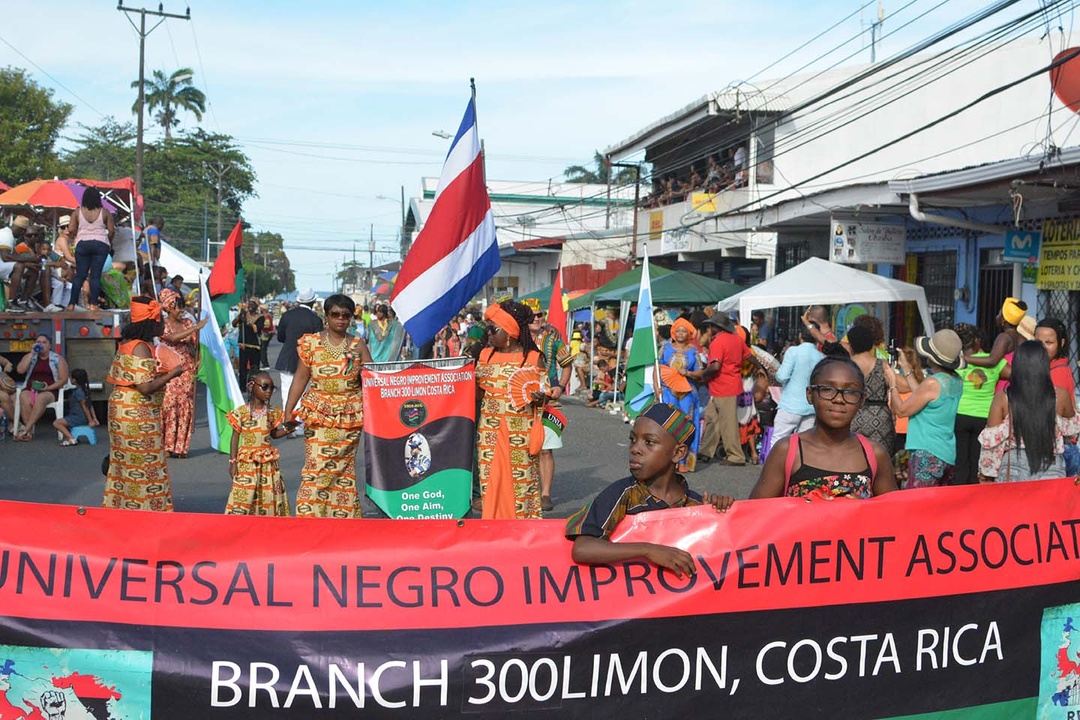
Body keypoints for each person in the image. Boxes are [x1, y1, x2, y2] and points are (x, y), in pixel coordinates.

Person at [566, 401, 734, 575]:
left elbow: (722, 553)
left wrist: (716, 513)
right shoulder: (622, 494)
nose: (635, 449)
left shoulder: (695, 504)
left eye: (649, 442)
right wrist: (648, 550)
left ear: (678, 453)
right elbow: (583, 549)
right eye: (633, 440)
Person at [751, 356, 897, 499]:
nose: (839, 399)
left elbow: (893, 513)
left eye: (850, 392)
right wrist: (729, 507)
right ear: (810, 394)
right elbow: (755, 514)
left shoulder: (875, 455)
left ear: (862, 400)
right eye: (827, 389)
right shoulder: (787, 451)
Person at [283, 294, 373, 518]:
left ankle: (342, 523)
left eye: (346, 315)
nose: (340, 319)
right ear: (326, 316)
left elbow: (373, 380)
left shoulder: (357, 345)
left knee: (343, 471)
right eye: (335, 315)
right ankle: (310, 520)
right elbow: (301, 379)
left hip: (349, 418)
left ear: (351, 318)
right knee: (317, 467)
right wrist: (287, 412)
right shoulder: (311, 343)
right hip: (318, 414)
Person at [102, 297, 184, 511]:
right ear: (151, 322)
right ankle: (145, 509)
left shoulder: (130, 344)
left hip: (124, 407)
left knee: (126, 462)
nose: (163, 323)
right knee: (144, 460)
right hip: (134, 412)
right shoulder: (140, 348)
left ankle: (123, 507)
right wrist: (173, 373)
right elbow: (145, 387)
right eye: (160, 319)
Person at [475, 301, 548, 519]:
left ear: (510, 332)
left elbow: (541, 394)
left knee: (521, 484)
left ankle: (523, 533)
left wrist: (539, 397)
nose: (488, 333)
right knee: (490, 481)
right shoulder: (485, 355)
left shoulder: (533, 358)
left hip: (520, 430)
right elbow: (478, 395)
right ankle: (492, 530)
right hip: (489, 431)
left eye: (493, 329)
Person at [978, 340, 1078, 482]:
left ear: (1017, 364)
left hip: (1013, 466)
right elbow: (1072, 430)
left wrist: (985, 475)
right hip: (1052, 466)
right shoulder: (1060, 396)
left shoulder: (1004, 397)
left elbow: (991, 443)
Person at [890, 329, 964, 488]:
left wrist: (892, 385)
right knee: (937, 508)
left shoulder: (932, 383)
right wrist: (907, 369)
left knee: (918, 506)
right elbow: (922, 396)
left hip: (927, 453)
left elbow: (902, 410)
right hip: (946, 453)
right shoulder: (957, 380)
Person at [225, 370, 293, 516]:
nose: (268, 392)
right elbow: (235, 437)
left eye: (272, 388)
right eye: (265, 387)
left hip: (267, 463)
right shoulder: (241, 413)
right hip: (246, 463)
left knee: (267, 496)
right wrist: (233, 461)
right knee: (243, 497)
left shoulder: (272, 413)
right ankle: (238, 528)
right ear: (251, 386)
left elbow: (274, 434)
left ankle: (266, 528)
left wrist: (288, 429)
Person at [530, 311, 572, 512]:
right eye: (532, 316)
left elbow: (567, 364)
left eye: (540, 315)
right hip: (522, 401)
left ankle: (545, 493)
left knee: (546, 449)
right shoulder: (514, 340)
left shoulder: (552, 339)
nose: (536, 319)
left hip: (548, 400)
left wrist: (561, 387)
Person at [698, 314, 754, 466]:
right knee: (712, 419)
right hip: (730, 385)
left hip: (722, 386)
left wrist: (703, 375)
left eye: (711, 326)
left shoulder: (718, 341)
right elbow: (750, 356)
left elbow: (715, 366)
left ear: (717, 327)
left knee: (727, 423)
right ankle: (705, 451)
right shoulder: (737, 339)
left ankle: (736, 456)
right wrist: (761, 369)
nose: (709, 329)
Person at [953, 324, 1005, 485]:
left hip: (960, 415)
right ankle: (974, 499)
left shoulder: (955, 362)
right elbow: (1015, 373)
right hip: (985, 417)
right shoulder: (993, 361)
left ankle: (958, 499)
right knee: (977, 462)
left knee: (961, 462)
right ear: (977, 341)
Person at [160, 289, 208, 458]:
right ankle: (167, 445)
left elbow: (197, 344)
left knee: (185, 407)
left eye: (182, 307)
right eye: (177, 307)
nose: (181, 310)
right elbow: (172, 338)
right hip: (170, 370)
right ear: (169, 308)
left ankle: (181, 447)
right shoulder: (163, 324)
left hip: (187, 370)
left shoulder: (188, 322)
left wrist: (199, 359)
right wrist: (196, 327)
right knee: (169, 405)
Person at [658, 317, 706, 472]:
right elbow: (657, 368)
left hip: (687, 392)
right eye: (677, 330)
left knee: (687, 425)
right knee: (669, 425)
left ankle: (684, 460)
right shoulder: (665, 348)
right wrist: (656, 386)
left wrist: (689, 373)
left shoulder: (693, 351)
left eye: (684, 331)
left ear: (689, 333)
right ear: (673, 332)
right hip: (667, 390)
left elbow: (701, 373)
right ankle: (667, 460)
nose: (680, 333)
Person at [1033, 318, 1079, 474]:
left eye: (1049, 342)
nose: (1043, 347)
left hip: (1057, 450)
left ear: (1062, 343)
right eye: (1038, 342)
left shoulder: (1057, 373)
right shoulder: (1046, 368)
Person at [274, 289, 324, 425]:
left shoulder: (287, 315)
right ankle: (300, 425)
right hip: (307, 360)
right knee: (303, 394)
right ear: (313, 301)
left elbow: (280, 337)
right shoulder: (315, 319)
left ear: (298, 300)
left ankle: (288, 424)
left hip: (287, 358)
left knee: (287, 393)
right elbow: (319, 342)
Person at [847, 323, 898, 453]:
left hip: (853, 414)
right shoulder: (882, 365)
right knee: (880, 459)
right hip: (880, 417)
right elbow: (899, 385)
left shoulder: (846, 366)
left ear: (852, 344)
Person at [66, 187, 116, 312]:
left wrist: (76, 237)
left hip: (82, 244)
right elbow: (112, 231)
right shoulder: (105, 212)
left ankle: (71, 304)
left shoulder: (77, 212)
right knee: (95, 276)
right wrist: (108, 241)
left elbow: (71, 229)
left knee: (80, 275)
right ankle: (93, 304)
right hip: (100, 244)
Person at [772, 327, 825, 443]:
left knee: (778, 440)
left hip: (790, 405)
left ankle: (777, 461)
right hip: (811, 407)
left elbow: (781, 376)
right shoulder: (821, 357)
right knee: (804, 444)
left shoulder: (793, 351)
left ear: (800, 336)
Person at [13, 335, 70, 441]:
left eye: (44, 342)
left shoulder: (57, 359)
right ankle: (28, 433)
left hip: (50, 390)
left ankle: (26, 429)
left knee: (41, 398)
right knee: (23, 396)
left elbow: (63, 379)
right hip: (31, 389)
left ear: (49, 346)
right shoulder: (31, 357)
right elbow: (20, 370)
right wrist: (31, 353)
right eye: (38, 342)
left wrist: (48, 388)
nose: (41, 344)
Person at [964, 297, 1026, 390]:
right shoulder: (1023, 339)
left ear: (1003, 320)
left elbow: (992, 361)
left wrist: (965, 359)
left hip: (1005, 384)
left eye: (999, 314)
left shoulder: (1004, 337)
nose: (996, 316)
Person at [53, 367, 99, 446]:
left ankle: (71, 438)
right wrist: (95, 418)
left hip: (78, 418)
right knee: (65, 421)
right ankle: (70, 437)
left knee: (56, 423)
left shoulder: (78, 392)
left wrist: (91, 420)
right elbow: (90, 405)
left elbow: (85, 407)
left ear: (74, 380)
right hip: (77, 416)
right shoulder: (84, 390)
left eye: (71, 378)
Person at [0, 216, 34, 310]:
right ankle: (11, 302)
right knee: (19, 266)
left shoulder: (11, 236)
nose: (22, 235)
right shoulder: (6, 234)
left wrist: (28, 263)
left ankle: (23, 301)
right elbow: (5, 257)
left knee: (32, 271)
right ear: (20, 229)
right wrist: (29, 259)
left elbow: (14, 256)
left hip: (2, 265)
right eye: (23, 232)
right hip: (2, 264)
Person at [233, 301, 264, 388]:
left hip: (254, 345)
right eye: (249, 304)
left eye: (253, 304)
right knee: (242, 367)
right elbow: (233, 324)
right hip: (243, 345)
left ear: (256, 306)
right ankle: (242, 386)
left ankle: (254, 385)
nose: (250, 306)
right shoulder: (243, 315)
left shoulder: (260, 317)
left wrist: (247, 321)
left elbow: (256, 329)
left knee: (254, 367)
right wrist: (239, 317)